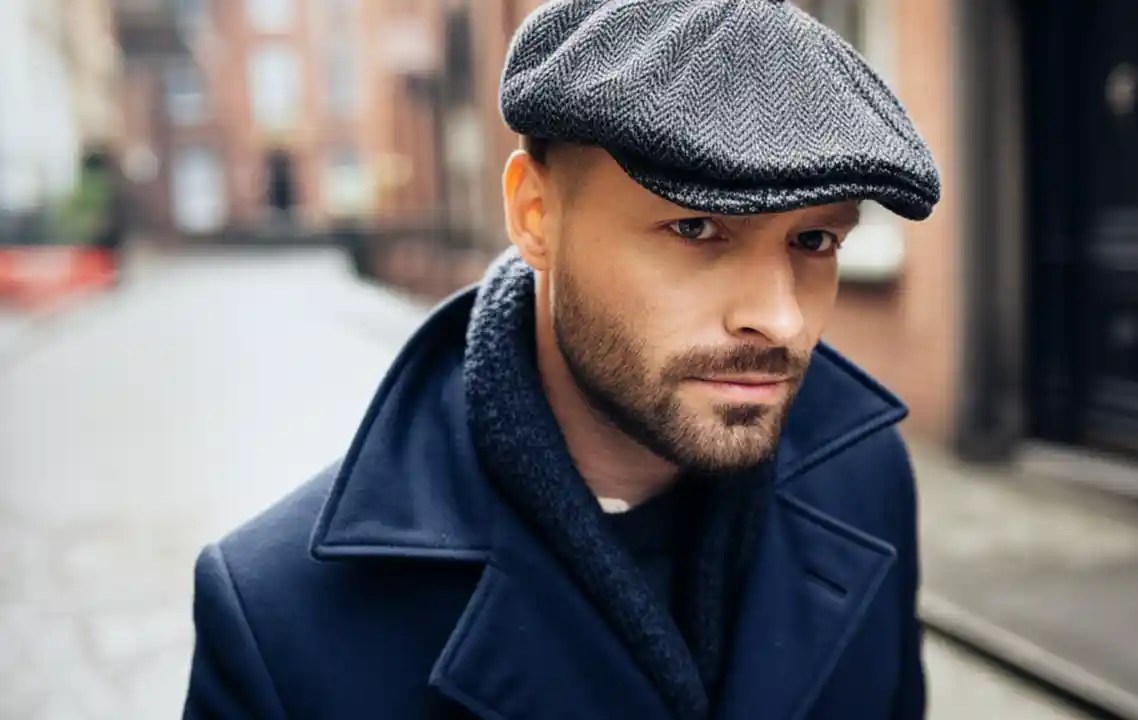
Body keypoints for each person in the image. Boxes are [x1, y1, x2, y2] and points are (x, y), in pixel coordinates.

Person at [182, 0, 940, 718]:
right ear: (535, 217)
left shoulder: (865, 479)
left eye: (814, 241)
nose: (778, 318)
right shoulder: (283, 615)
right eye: (696, 231)